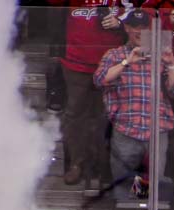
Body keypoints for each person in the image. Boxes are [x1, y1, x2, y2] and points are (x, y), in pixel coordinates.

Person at [93, 9, 174, 201]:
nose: (139, 32)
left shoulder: (162, 54)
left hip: (156, 132)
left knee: (149, 188)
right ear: (126, 28)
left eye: (143, 28)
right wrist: (127, 61)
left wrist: (172, 65)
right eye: (135, 27)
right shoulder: (115, 55)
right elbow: (99, 79)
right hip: (126, 131)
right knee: (124, 186)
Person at [57, 1, 125, 187]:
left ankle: (104, 166)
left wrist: (120, 24)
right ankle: (77, 163)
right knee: (75, 115)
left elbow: (141, 17)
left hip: (110, 64)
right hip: (75, 62)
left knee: (106, 117)